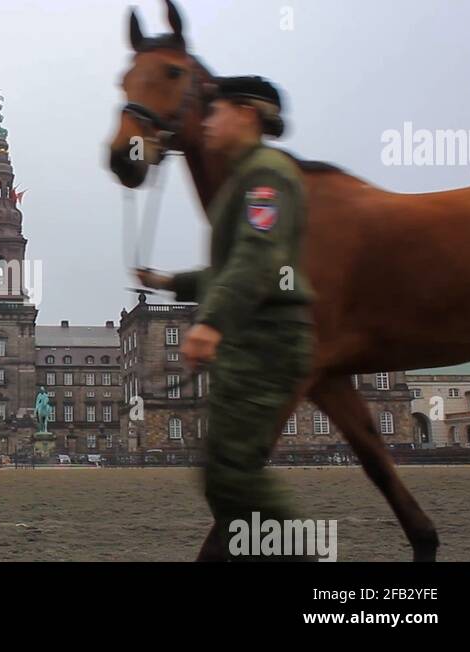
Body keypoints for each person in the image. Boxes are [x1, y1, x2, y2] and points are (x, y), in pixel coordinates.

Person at [136, 76, 314, 560]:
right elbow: (226, 269)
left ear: (249, 114)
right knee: (224, 476)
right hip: (252, 339)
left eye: (217, 111)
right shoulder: (248, 176)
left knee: (233, 473)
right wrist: (167, 282)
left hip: (268, 338)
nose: (207, 121)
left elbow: (257, 258)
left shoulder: (267, 175)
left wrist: (210, 322)